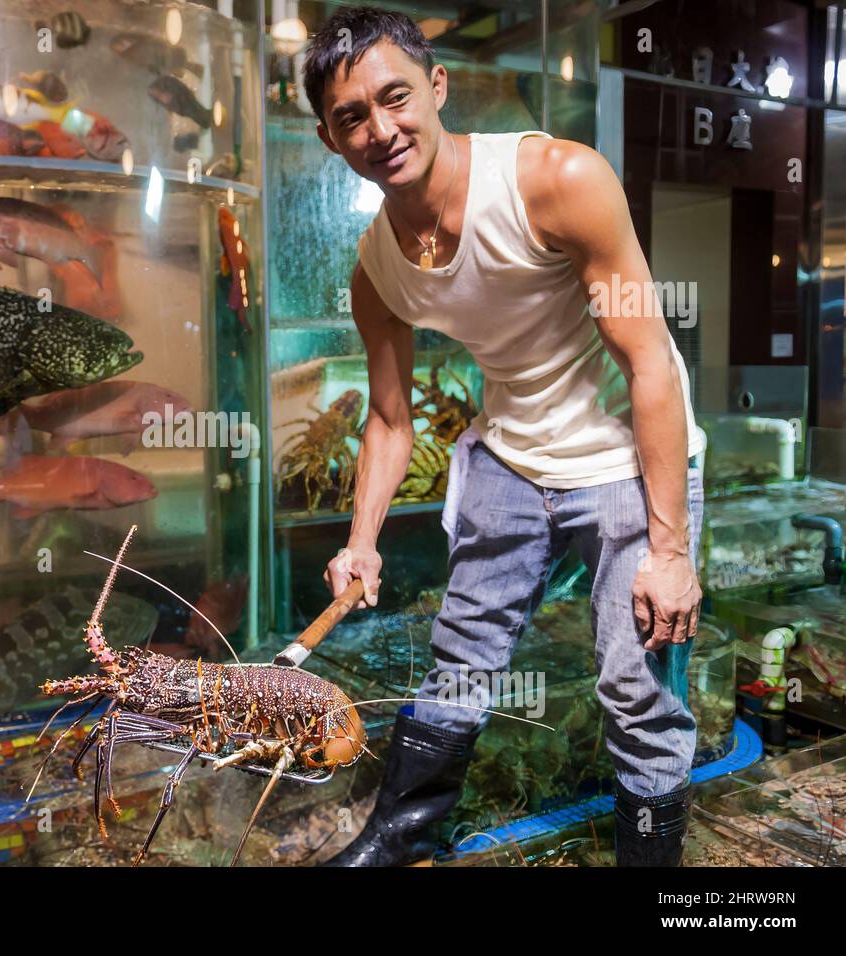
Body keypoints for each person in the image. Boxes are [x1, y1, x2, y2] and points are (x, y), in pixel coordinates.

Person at [302, 6, 706, 867]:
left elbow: (650, 362)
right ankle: (401, 836)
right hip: (510, 455)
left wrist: (669, 549)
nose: (382, 129)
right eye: (351, 118)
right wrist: (362, 542)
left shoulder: (558, 179)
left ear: (437, 87)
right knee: (459, 660)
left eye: (396, 97)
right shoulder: (376, 269)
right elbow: (388, 418)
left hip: (623, 454)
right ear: (331, 139)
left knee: (635, 687)